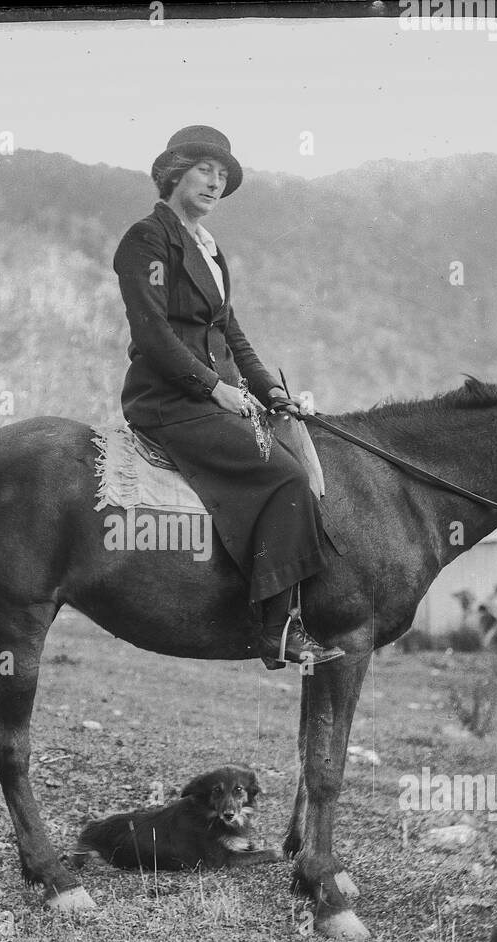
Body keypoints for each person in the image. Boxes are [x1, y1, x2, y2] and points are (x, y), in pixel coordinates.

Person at [112, 125, 343, 669]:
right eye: (204, 171)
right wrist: (214, 387)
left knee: (303, 457)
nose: (215, 184)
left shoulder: (211, 249)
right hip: (169, 401)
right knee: (285, 475)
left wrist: (270, 390)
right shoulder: (147, 239)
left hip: (214, 395)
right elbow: (152, 333)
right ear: (175, 173)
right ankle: (277, 630)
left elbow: (230, 333)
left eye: (223, 176)